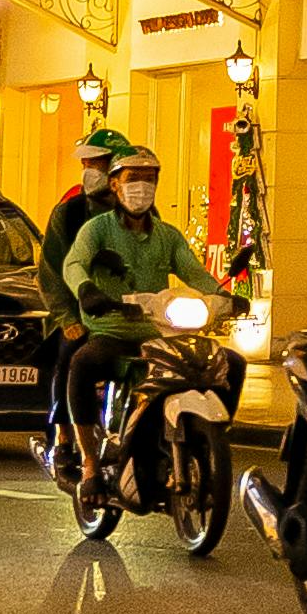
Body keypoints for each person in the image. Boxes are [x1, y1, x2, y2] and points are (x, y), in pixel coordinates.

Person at [57, 146, 221, 504]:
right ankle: (88, 463)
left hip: (159, 334)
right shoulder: (95, 229)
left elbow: (194, 273)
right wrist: (85, 290)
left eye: (150, 179)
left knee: (227, 366)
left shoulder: (168, 235)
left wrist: (224, 296)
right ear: (115, 185)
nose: (142, 187)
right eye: (133, 179)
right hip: (113, 331)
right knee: (82, 364)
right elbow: (74, 264)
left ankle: (206, 443)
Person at [35, 127, 128, 317]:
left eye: (95, 164)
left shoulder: (142, 214)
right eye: (85, 165)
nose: (88, 172)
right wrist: (67, 319)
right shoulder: (70, 213)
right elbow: (51, 274)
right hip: (82, 320)